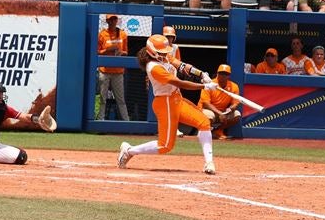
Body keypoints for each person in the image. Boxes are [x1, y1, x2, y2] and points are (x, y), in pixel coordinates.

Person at [117, 35, 220, 174]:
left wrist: (201, 74)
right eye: (161, 52)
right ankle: (129, 151)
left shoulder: (165, 57)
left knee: (204, 123)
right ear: (152, 51)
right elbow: (180, 83)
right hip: (164, 102)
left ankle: (209, 163)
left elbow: (183, 66)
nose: (165, 54)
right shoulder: (153, 67)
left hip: (176, 99)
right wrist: (204, 86)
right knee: (165, 146)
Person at [96, 15, 130, 121]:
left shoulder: (123, 34)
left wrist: (121, 52)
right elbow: (97, 52)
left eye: (115, 19)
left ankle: (126, 123)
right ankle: (100, 121)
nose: (113, 21)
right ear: (107, 21)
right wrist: (107, 51)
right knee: (102, 98)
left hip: (118, 71)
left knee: (120, 99)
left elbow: (126, 52)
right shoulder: (102, 34)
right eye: (111, 19)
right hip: (104, 70)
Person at [198, 64, 243, 139]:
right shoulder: (209, 84)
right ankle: (206, 133)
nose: (223, 75)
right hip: (207, 110)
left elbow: (235, 103)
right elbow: (206, 104)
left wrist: (230, 109)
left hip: (222, 112)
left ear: (229, 76)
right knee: (209, 116)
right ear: (217, 74)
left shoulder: (234, 86)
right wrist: (220, 113)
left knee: (236, 115)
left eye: (226, 74)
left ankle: (218, 131)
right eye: (221, 73)